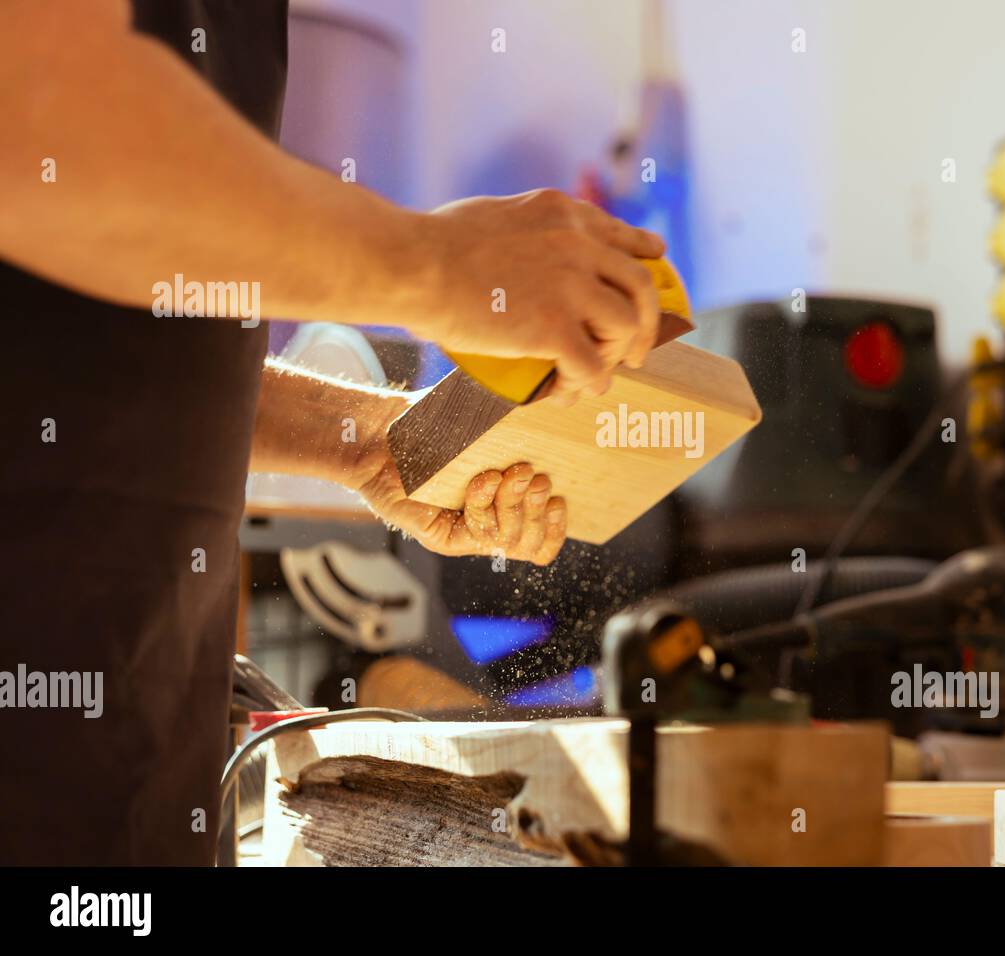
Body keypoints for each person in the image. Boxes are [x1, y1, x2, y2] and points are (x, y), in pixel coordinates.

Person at [0, 0, 665, 864]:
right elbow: (36, 132)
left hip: (130, 744)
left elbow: (103, 333)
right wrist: (440, 267)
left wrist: (362, 445)